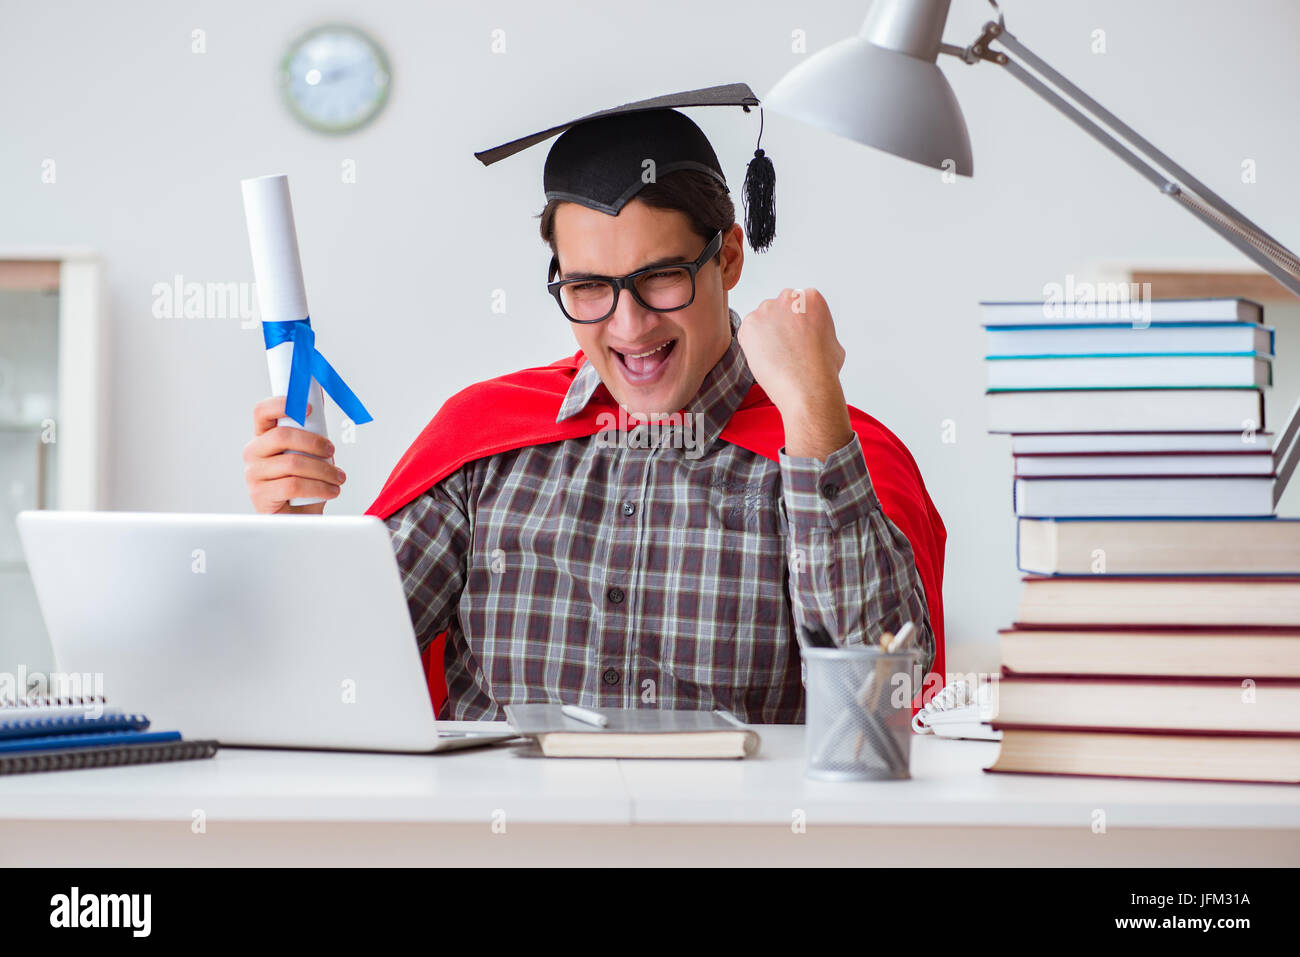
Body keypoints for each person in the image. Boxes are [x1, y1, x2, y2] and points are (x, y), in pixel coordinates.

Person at [244, 84, 946, 722]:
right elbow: (325, 677)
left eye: (662, 277)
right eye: (588, 288)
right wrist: (299, 540)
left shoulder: (819, 449)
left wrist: (815, 409)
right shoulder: (483, 449)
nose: (629, 324)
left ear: (729, 257)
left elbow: (882, 698)